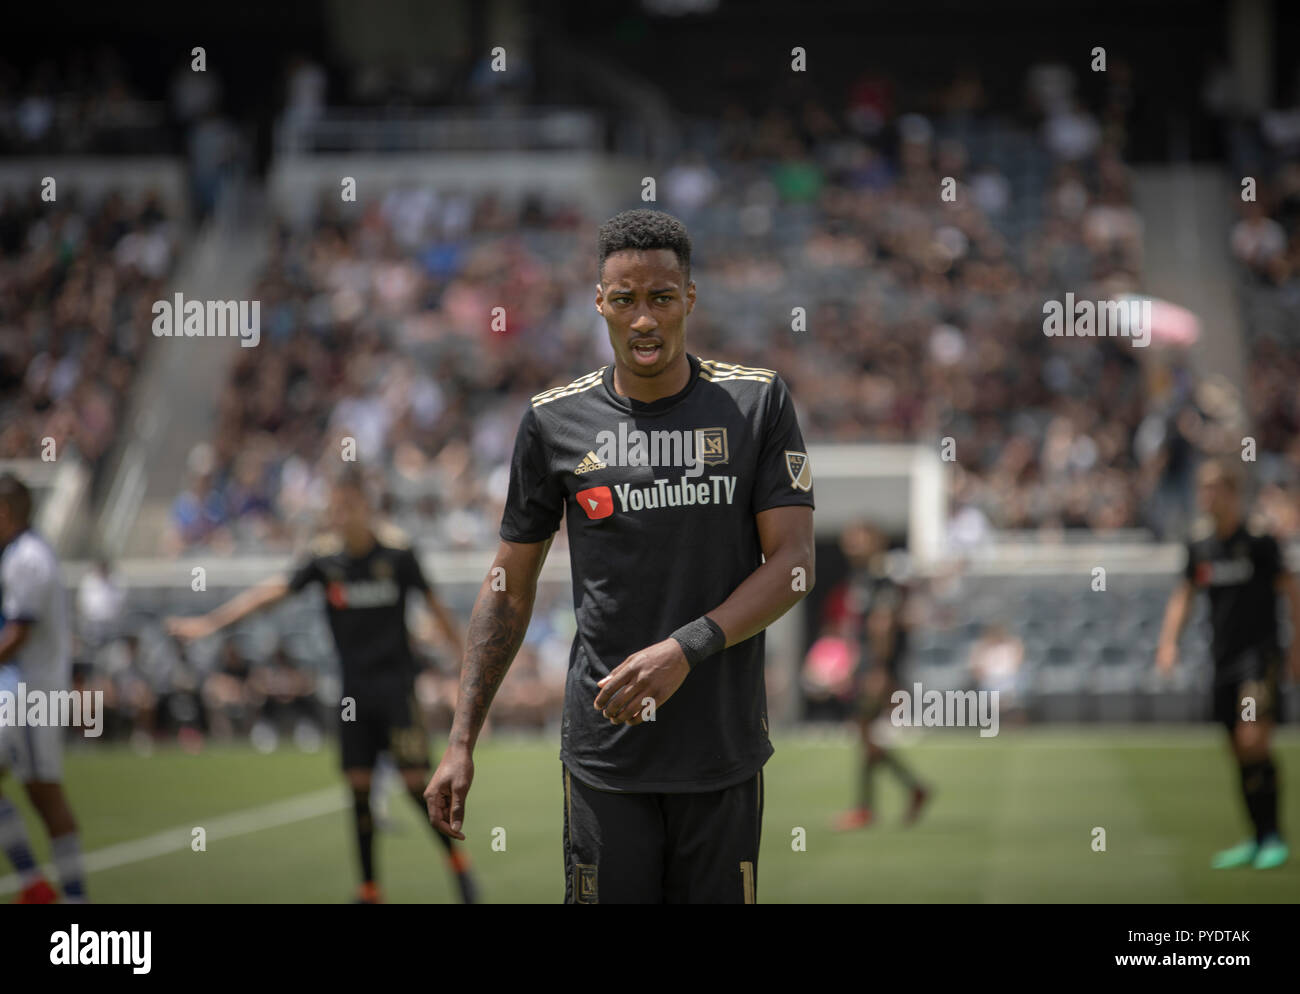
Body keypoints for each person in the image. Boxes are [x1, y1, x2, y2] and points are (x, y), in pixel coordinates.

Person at [424, 208, 816, 903]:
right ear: (600, 304)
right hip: (605, 758)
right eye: (625, 299)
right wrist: (460, 739)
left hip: (719, 753)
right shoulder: (553, 421)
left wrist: (686, 648)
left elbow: (793, 564)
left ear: (688, 300)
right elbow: (508, 587)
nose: (644, 319)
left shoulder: (756, 403)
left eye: (662, 298)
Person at [167, 469, 476, 902]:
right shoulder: (325, 559)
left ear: (366, 505)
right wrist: (210, 623)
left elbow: (436, 607)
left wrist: (468, 665)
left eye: (348, 505)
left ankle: (459, 867)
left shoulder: (398, 554)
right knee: (359, 788)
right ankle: (370, 888)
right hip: (352, 694)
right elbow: (271, 592)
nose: (340, 514)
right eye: (335, 506)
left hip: (396, 691)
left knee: (413, 784)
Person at [1156, 459, 1300, 870]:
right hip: (1223, 660)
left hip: (1260, 656)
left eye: (1213, 489)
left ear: (1232, 493)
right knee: (1238, 748)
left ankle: (1273, 836)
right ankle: (1257, 837)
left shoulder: (1259, 541)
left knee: (1253, 737)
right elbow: (1184, 594)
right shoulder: (1200, 545)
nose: (1205, 497)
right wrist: (1168, 643)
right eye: (1202, 489)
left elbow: (1290, 592)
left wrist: (1296, 648)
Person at [0, 473, 88, 903]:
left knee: (46, 796)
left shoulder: (26, 558)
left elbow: (18, 634)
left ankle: (71, 900)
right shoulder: (25, 553)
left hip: (35, 695)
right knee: (41, 793)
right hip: (24, 693)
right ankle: (36, 884)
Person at [831, 522, 930, 830]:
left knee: (863, 729)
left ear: (875, 541)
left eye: (857, 539)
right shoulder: (864, 578)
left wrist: (878, 669)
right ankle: (911, 789)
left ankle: (868, 807)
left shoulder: (880, 578)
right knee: (866, 733)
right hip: (870, 664)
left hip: (877, 667)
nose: (850, 545)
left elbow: (883, 624)